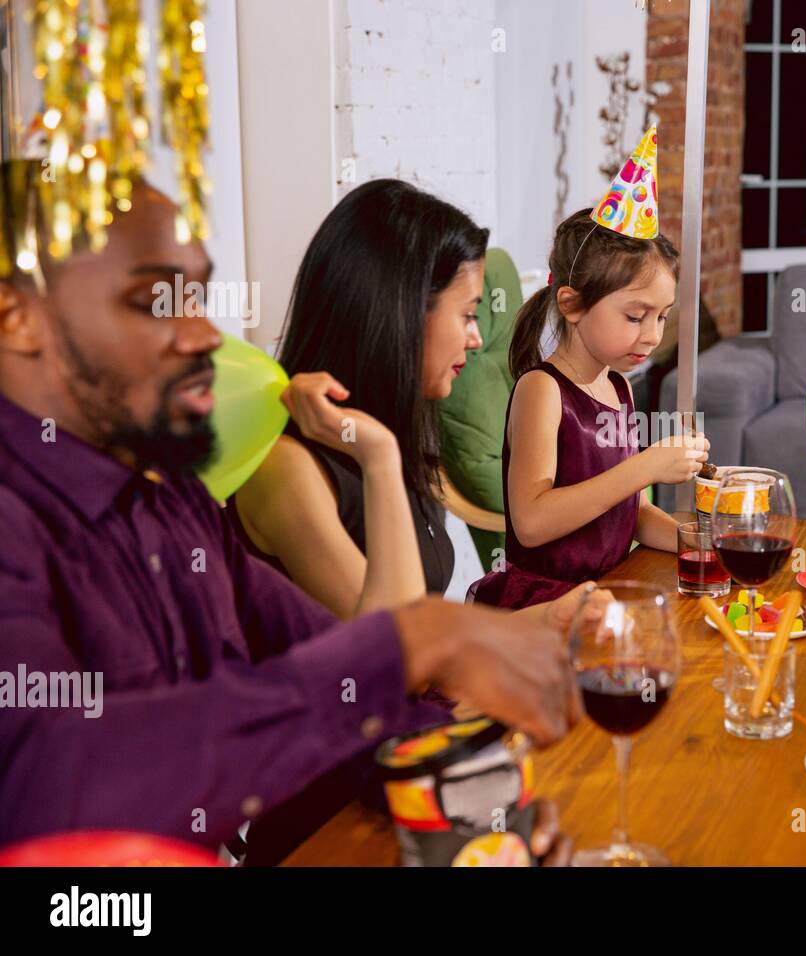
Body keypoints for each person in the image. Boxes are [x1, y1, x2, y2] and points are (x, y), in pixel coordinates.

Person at [0, 175, 578, 855]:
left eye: (197, 296)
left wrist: (480, 805)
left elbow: (343, 678)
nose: (203, 338)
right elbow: (45, 782)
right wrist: (415, 640)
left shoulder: (169, 497)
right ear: (18, 317)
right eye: (153, 300)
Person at [227, 179, 596, 631]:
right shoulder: (286, 467)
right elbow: (394, 647)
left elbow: (427, 625)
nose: (476, 337)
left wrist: (549, 617)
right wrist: (379, 458)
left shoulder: (400, 427)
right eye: (465, 314)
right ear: (401, 316)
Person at [470, 129, 709, 610]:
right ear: (572, 304)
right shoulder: (542, 389)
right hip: (549, 607)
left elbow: (633, 514)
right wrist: (645, 466)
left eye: (661, 317)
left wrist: (699, 541)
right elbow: (531, 522)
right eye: (635, 316)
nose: (653, 335)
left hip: (611, 592)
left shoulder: (619, 386)